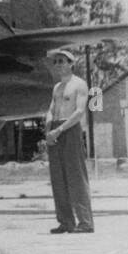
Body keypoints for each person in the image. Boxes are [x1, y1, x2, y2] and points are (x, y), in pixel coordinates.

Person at [44, 48, 94, 234]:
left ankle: (85, 222)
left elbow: (79, 111)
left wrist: (59, 130)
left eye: (62, 61)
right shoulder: (56, 87)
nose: (58, 65)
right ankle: (66, 222)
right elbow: (51, 108)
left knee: (76, 177)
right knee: (58, 178)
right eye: (56, 61)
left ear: (71, 63)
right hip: (55, 130)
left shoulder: (79, 84)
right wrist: (49, 128)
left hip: (69, 129)